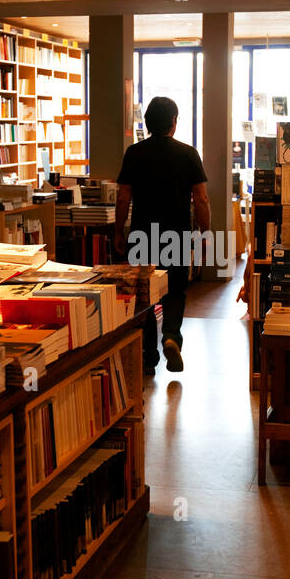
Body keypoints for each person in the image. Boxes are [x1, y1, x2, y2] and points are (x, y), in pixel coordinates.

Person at [114, 96, 209, 375]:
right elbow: (201, 200)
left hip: (142, 233)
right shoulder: (188, 154)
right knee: (175, 290)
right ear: (174, 123)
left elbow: (123, 198)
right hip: (176, 235)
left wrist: (119, 231)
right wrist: (205, 234)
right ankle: (170, 336)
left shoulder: (134, 153)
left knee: (144, 295)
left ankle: (148, 356)